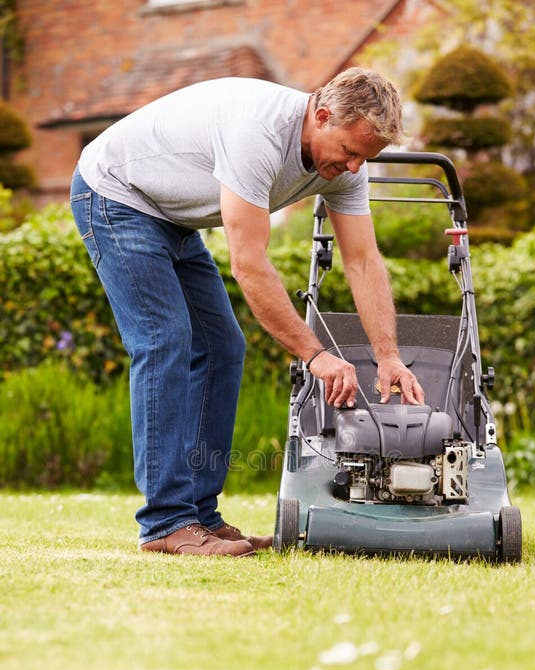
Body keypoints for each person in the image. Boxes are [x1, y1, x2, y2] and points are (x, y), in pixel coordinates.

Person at [70, 67, 425, 558]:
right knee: (165, 339)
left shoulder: (347, 167)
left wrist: (388, 356)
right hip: (115, 194)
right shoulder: (258, 132)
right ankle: (165, 523)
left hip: (170, 218)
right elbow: (250, 263)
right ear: (322, 116)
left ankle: (201, 516)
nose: (354, 167)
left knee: (222, 347)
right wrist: (315, 355)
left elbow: (363, 261)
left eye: (365, 158)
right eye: (349, 152)